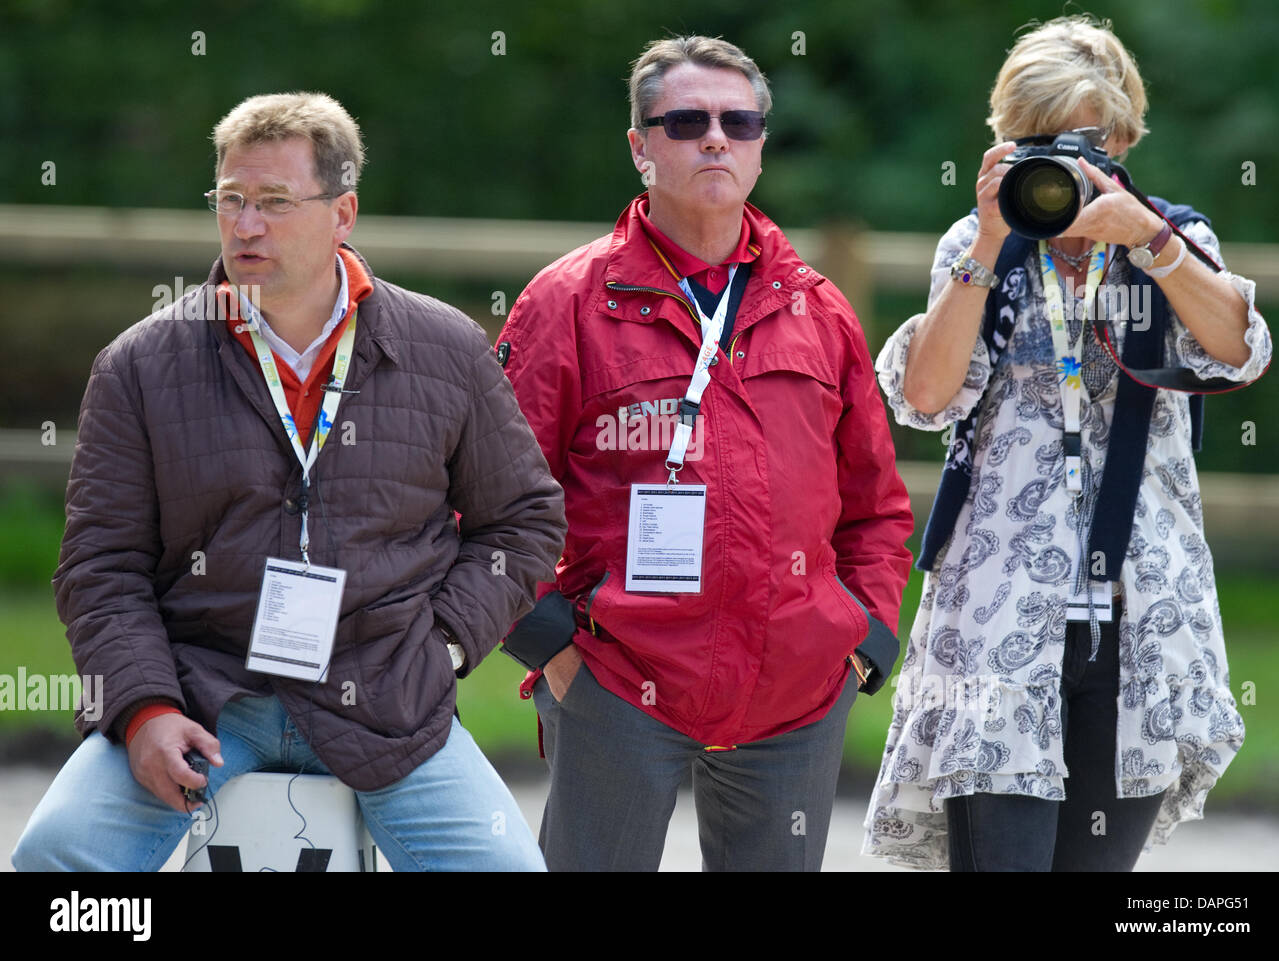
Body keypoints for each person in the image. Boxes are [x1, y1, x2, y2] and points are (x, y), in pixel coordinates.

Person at [12, 92, 565, 872]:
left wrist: (442, 646)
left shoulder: (444, 347)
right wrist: (142, 709)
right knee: (56, 862)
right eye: (230, 200)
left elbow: (524, 521)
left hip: (388, 695)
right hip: (205, 691)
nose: (245, 225)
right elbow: (101, 567)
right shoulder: (140, 365)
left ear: (343, 213)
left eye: (274, 202)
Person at [864, 15, 1271, 871]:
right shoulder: (981, 248)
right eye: (1029, 139)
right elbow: (926, 396)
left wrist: (1148, 242)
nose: (1053, 160)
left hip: (1144, 617)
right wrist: (983, 242)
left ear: (1122, 139)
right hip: (1000, 614)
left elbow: (1240, 349)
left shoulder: (1173, 240)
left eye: (1077, 139)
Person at [497, 36, 913, 872]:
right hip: (616, 676)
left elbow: (874, 501)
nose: (714, 138)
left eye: (738, 120)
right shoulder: (567, 302)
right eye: (685, 121)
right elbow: (495, 491)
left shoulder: (818, 308)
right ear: (640, 147)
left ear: (760, 145)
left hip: (796, 687)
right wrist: (546, 638)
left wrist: (863, 633)